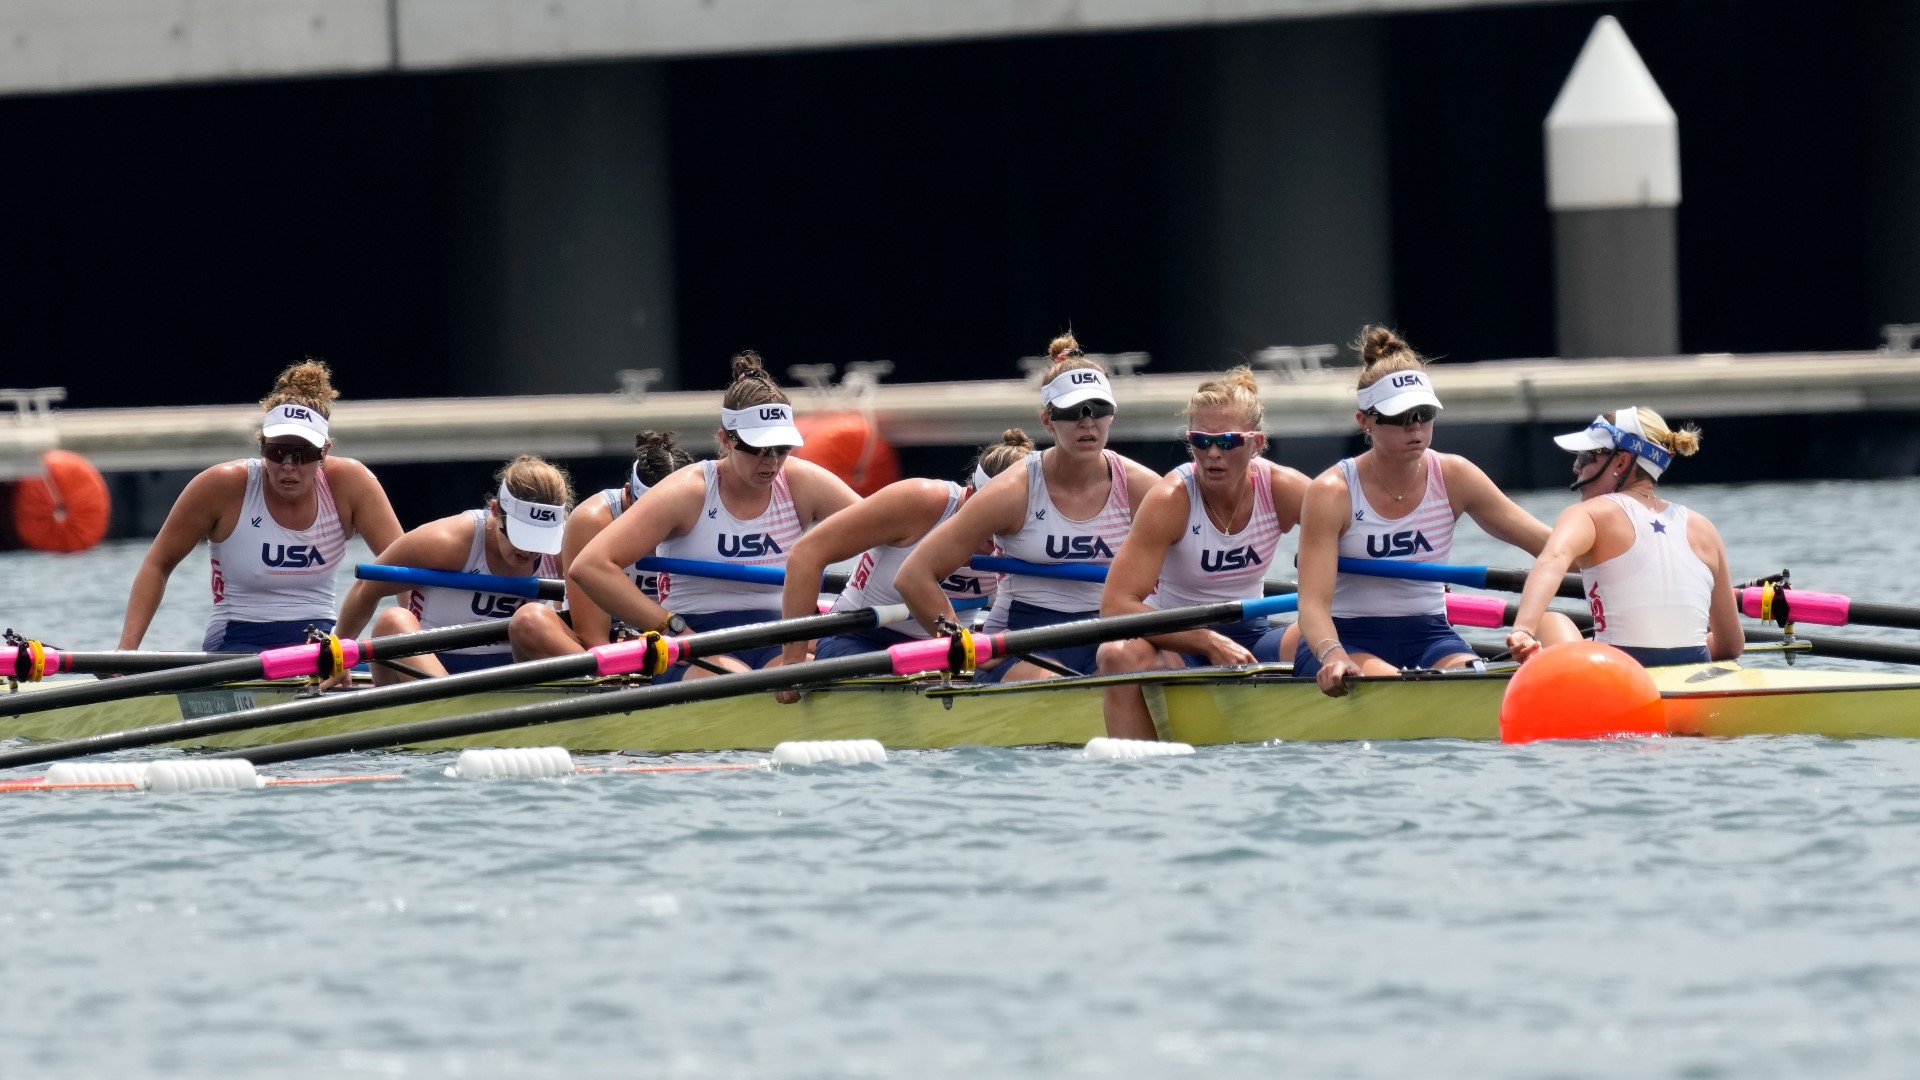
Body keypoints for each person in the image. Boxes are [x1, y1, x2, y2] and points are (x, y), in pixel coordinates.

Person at [568, 352, 861, 681]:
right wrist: (672, 627)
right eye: (757, 447)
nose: (771, 461)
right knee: (734, 681)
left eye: (782, 447)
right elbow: (589, 566)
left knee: (817, 678)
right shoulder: (689, 490)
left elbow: (890, 528)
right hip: (696, 640)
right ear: (725, 439)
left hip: (776, 638)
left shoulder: (801, 483)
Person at [1293, 326, 1551, 697]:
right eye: (1400, 417)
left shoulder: (1454, 476)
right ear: (1364, 420)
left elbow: (1550, 547)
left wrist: (1617, 549)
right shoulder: (1331, 491)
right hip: (1345, 637)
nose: (1414, 427)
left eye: (1424, 413)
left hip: (1429, 635)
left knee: (1477, 689)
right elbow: (1312, 605)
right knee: (1393, 690)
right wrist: (1332, 654)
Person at [896, 333, 1160, 683]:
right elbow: (913, 575)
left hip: (1112, 632)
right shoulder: (1015, 489)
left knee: (1166, 665)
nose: (1087, 422)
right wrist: (965, 646)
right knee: (1057, 686)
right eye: (1072, 410)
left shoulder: (1142, 487)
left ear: (1112, 415)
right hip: (1023, 638)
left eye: (1098, 409)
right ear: (1047, 420)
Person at [118, 359, 404, 653]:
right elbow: (158, 563)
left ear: (324, 452)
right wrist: (126, 653)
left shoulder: (350, 483)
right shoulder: (223, 486)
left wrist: (422, 646)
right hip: (238, 640)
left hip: (321, 642)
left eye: (302, 454)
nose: (288, 466)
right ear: (262, 446)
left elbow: (403, 569)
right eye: (277, 452)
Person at [1095, 367, 1312, 737]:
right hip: (1179, 640)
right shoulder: (1171, 499)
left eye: (1227, 441)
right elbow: (1115, 605)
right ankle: (1139, 773)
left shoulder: (1283, 488)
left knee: (1337, 628)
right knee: (1115, 654)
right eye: (1200, 441)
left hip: (1254, 635)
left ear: (1256, 443)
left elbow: (1355, 544)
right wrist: (1207, 642)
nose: (1212, 454)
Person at [774, 429, 1037, 681]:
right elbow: (806, 553)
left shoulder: (1034, 530)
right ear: (969, 495)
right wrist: (794, 665)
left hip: (949, 651)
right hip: (861, 640)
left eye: (1005, 525)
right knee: (915, 690)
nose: (995, 539)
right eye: (986, 520)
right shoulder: (921, 501)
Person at [1505, 407, 1743, 667]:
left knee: (1549, 621)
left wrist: (1524, 629)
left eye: (1585, 457)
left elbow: (1552, 559)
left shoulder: (1587, 515)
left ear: (1620, 462)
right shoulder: (1704, 528)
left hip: (1616, 675)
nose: (1577, 469)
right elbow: (1731, 644)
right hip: (1693, 668)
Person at [331, 456, 572, 683]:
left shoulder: (565, 549)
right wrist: (338, 658)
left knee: (535, 620)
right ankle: (451, 704)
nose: (528, 551)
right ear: (496, 511)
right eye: (521, 535)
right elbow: (366, 587)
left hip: (514, 667)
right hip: (426, 666)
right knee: (393, 621)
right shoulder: (447, 542)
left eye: (540, 539)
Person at [507, 432, 697, 660]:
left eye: (672, 516)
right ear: (628, 493)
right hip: (606, 646)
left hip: (675, 640)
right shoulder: (592, 519)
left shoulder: (703, 510)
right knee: (529, 621)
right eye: (648, 511)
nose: (661, 529)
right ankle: (615, 685)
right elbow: (593, 637)